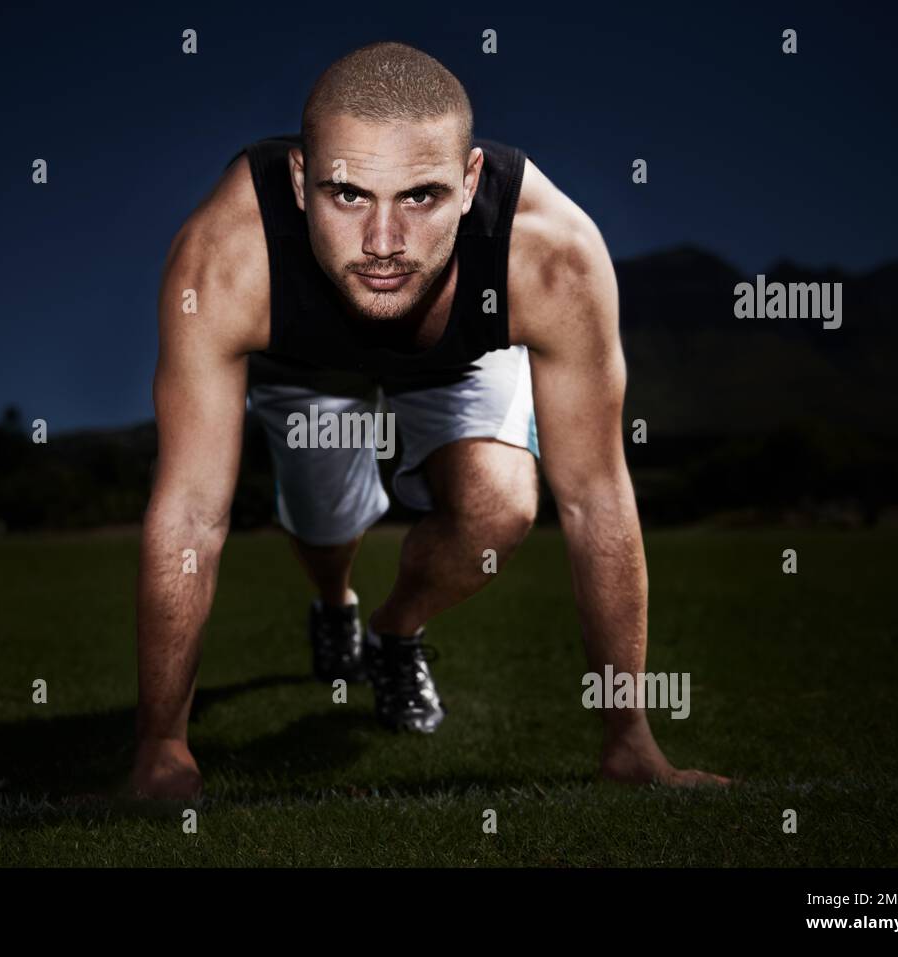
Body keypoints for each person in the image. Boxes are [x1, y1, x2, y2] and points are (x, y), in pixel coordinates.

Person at [129, 41, 730, 800]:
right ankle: (334, 602)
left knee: (502, 505)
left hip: (459, 350)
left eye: (421, 197)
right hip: (308, 364)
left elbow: (595, 497)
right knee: (323, 522)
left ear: (472, 180)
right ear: (297, 180)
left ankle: (394, 630)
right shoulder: (224, 260)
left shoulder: (550, 259)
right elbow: (188, 511)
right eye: (347, 194)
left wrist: (631, 739)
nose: (383, 243)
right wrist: (161, 748)